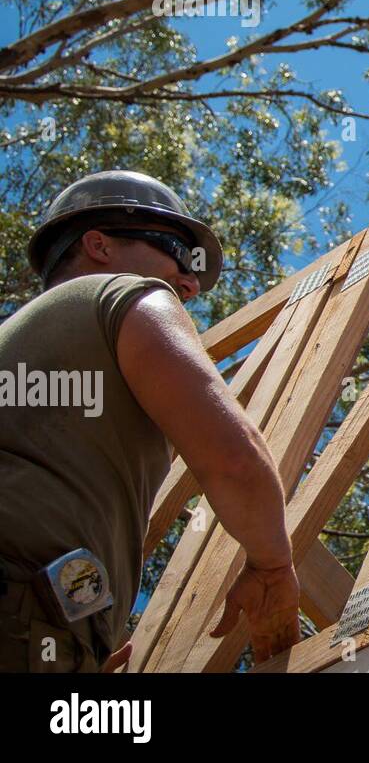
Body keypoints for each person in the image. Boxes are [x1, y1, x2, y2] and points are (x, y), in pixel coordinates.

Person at [0, 170, 300, 671]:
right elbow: (233, 460)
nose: (189, 281)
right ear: (98, 244)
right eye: (175, 253)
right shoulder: (120, 295)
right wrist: (273, 567)